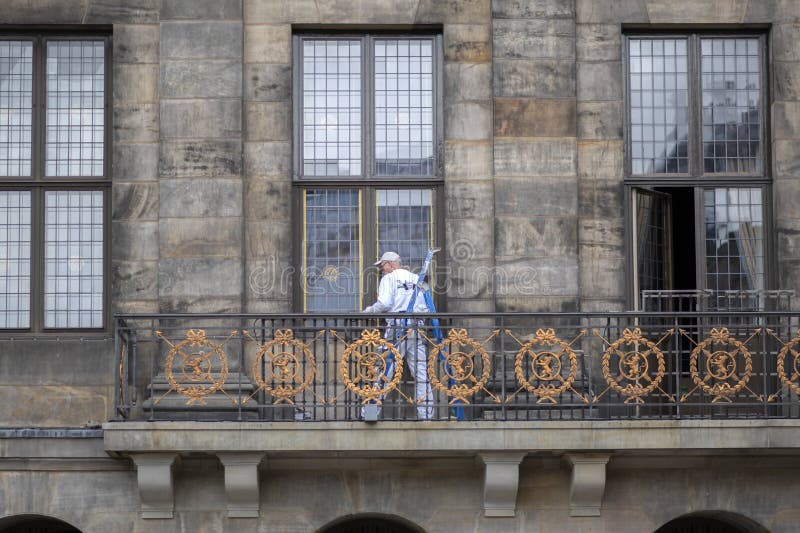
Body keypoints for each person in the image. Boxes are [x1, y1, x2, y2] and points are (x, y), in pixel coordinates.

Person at [362, 251, 433, 420]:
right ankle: (427, 415)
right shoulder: (417, 279)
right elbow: (426, 307)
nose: (382, 269)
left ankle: (370, 414)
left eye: (383, 265)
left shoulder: (390, 278)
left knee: (384, 370)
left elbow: (385, 303)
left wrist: (370, 310)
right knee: (421, 372)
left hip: (397, 327)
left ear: (391, 264)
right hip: (416, 327)